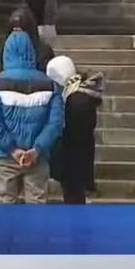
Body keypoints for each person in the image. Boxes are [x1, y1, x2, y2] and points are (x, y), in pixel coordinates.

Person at [0, 30, 64, 204]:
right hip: (37, 157)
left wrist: (12, 149)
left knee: (5, 206)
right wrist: (36, 149)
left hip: (4, 156)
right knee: (37, 207)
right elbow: (55, 123)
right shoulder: (49, 84)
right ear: (31, 52)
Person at [45, 56, 104, 205]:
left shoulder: (76, 100)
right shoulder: (79, 96)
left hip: (73, 160)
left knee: (73, 198)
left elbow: (74, 133)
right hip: (79, 158)